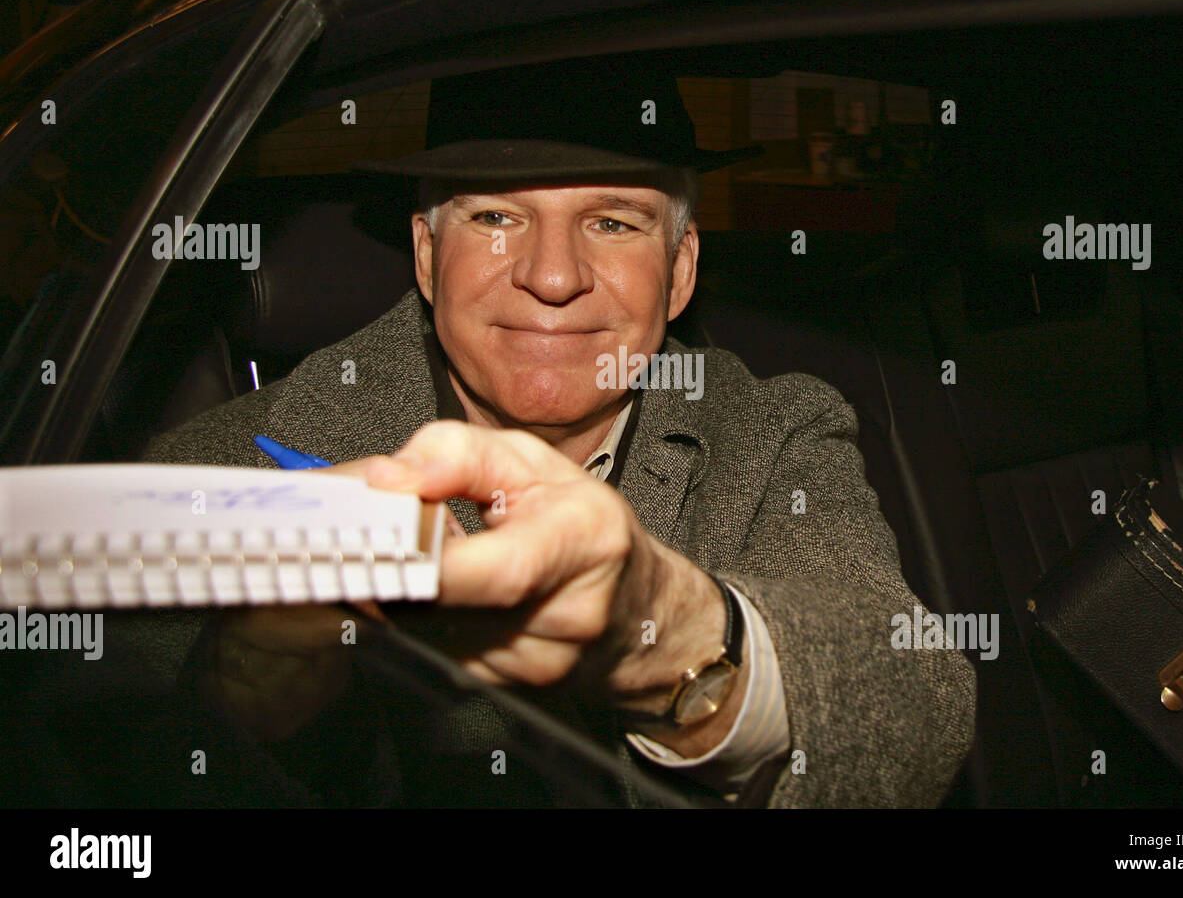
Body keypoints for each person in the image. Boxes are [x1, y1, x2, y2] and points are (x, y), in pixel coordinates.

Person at [141, 57, 976, 807]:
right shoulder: (218, 476)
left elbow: (915, 717)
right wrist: (241, 705)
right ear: (427, 256)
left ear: (680, 271)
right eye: (497, 217)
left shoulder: (775, 432)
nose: (551, 276)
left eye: (613, 222)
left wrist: (664, 625)